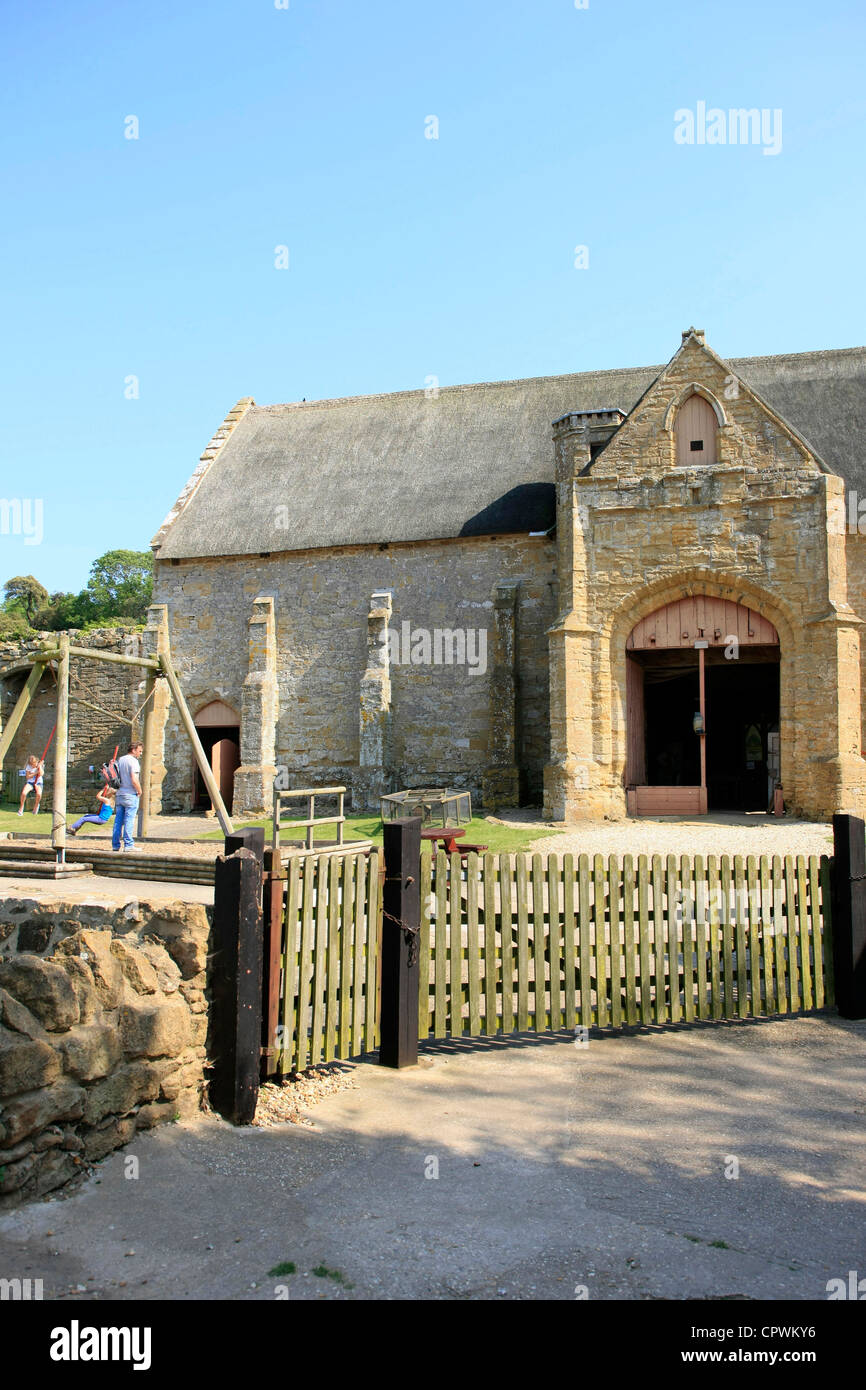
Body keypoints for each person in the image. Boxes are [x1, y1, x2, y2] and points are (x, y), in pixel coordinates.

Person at [112, 740, 143, 852]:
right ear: (134, 750)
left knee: (118, 821)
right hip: (130, 794)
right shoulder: (133, 762)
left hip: (120, 794)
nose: (140, 753)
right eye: (139, 751)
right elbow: (134, 779)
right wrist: (139, 791)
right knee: (129, 820)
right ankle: (129, 845)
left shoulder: (121, 760)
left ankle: (115, 845)